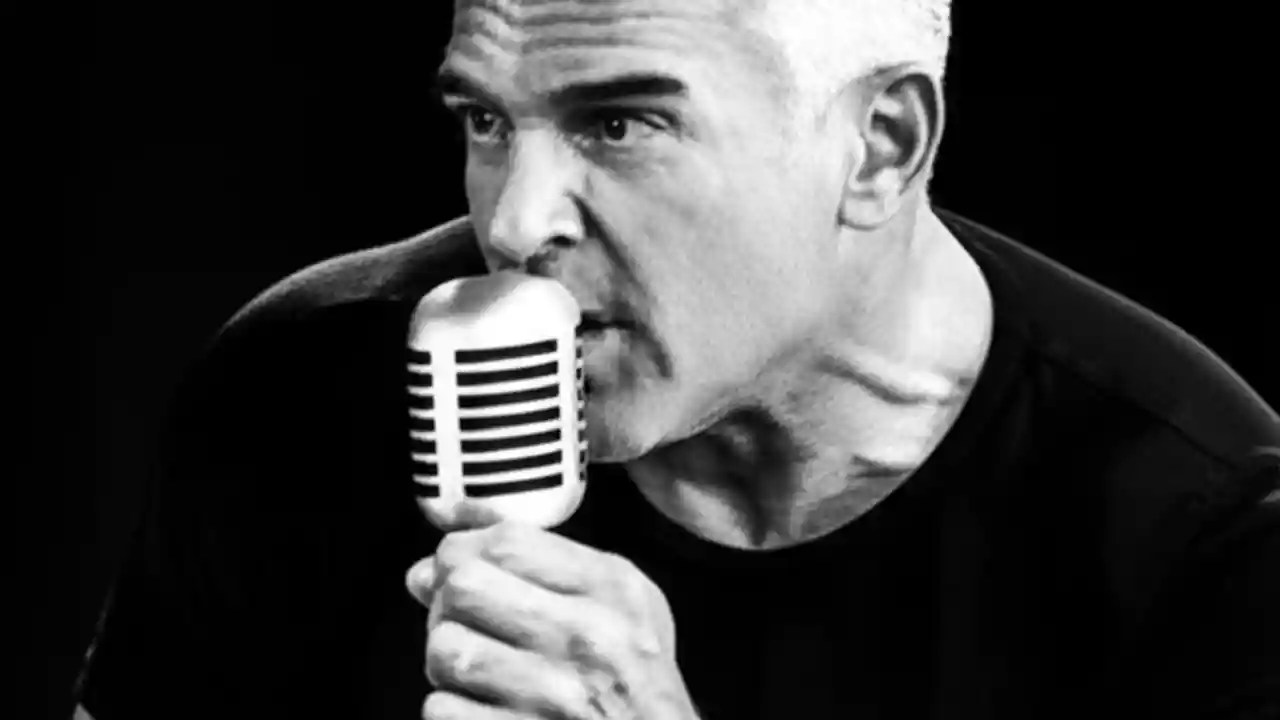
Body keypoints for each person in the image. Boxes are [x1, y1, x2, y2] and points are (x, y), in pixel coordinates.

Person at [74, 0, 1279, 718]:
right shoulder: (294, 386)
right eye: (484, 121)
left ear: (878, 147)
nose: (511, 221)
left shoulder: (1203, 535)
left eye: (618, 123)